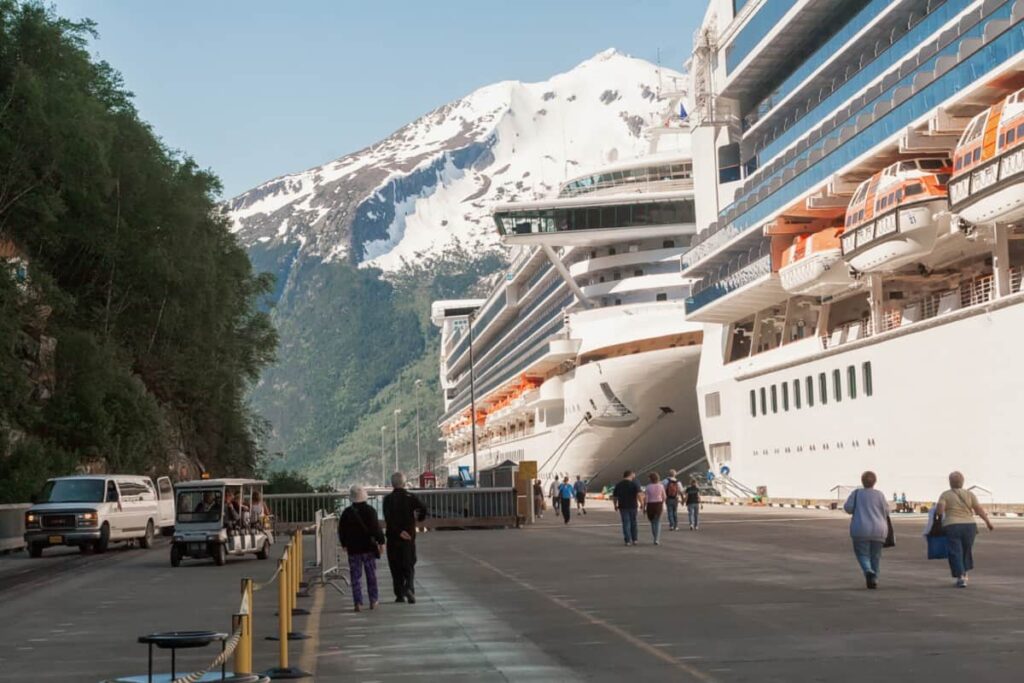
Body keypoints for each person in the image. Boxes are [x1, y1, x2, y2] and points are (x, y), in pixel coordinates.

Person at [935, 471, 994, 588]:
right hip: (969, 526)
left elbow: (940, 511)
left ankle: (960, 576)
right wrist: (987, 522)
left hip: (952, 525)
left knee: (955, 551)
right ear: (962, 482)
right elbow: (978, 510)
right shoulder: (970, 494)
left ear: (950, 482)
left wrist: (937, 516)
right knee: (966, 550)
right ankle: (965, 573)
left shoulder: (945, 495)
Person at [338, 485, 385, 612]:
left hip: (353, 549)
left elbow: (341, 530)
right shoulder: (371, 511)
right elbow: (376, 529)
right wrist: (381, 542)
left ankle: (358, 602)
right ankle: (373, 600)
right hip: (368, 548)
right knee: (371, 575)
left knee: (355, 577)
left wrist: (344, 544)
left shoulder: (347, 513)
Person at [382, 472, 427, 603]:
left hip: (393, 537)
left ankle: (399, 594)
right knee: (409, 563)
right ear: (404, 483)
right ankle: (409, 587)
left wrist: (397, 531)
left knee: (395, 565)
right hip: (408, 536)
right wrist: (419, 518)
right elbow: (423, 508)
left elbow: (388, 519)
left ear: (392, 484)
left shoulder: (387, 500)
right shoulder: (411, 497)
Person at [843, 471, 890, 589]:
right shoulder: (880, 495)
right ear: (875, 482)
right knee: (876, 556)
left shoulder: (857, 493)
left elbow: (848, 508)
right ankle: (874, 579)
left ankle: (868, 571)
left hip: (861, 528)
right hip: (879, 530)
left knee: (862, 554)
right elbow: (887, 511)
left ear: (862, 481)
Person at [612, 470, 643, 546]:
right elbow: (639, 495)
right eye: (633, 474)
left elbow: (615, 496)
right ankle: (635, 539)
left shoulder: (618, 485)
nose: (634, 475)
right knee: (633, 522)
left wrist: (615, 505)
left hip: (623, 506)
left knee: (626, 523)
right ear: (630, 475)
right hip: (633, 506)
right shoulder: (634, 484)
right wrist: (642, 503)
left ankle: (627, 540)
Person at [644, 472, 666, 545]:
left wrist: (644, 507)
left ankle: (655, 537)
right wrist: (662, 503)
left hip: (650, 505)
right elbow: (664, 497)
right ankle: (656, 539)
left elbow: (646, 498)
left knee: (652, 522)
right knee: (658, 522)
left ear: (650, 479)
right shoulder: (661, 486)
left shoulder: (648, 487)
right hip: (658, 504)